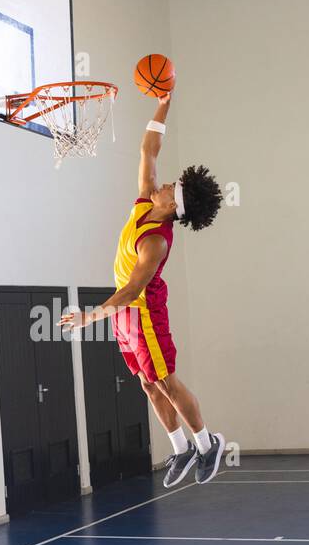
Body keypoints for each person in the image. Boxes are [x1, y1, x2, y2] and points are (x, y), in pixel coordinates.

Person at [58, 91, 226, 486]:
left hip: (143, 310)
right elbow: (148, 149)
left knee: (166, 380)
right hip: (127, 311)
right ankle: (181, 448)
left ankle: (207, 443)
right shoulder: (145, 201)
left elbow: (133, 290)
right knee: (147, 384)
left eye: (172, 187)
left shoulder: (157, 240)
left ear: (175, 205)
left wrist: (89, 317)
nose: (166, 183)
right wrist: (164, 103)